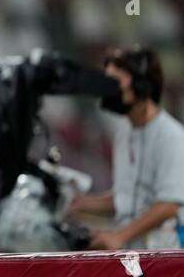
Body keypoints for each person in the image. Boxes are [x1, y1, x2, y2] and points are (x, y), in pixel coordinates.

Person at [69, 47, 184, 250]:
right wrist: (82, 203)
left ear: (142, 85)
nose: (108, 88)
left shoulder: (172, 136)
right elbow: (126, 196)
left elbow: (169, 203)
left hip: (165, 253)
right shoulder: (123, 133)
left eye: (116, 80)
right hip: (132, 253)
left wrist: (119, 236)